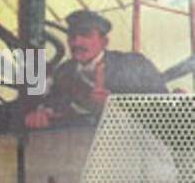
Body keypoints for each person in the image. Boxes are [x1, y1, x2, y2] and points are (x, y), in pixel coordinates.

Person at [24, 10, 166, 131]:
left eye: (86, 35)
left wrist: (117, 106)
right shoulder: (62, 73)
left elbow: (163, 109)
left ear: (104, 42)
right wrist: (41, 113)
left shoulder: (134, 65)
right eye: (72, 36)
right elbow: (51, 103)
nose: (77, 42)